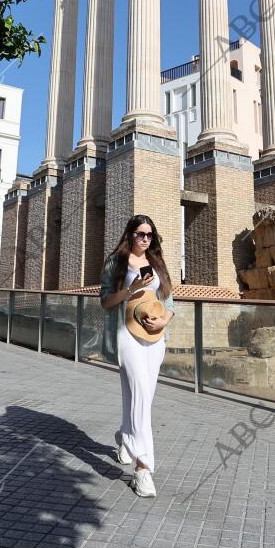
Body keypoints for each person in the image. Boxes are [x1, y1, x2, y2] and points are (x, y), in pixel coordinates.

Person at [99, 214, 176, 499]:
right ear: (130, 234)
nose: (145, 239)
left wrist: (164, 320)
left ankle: (126, 435)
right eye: (141, 234)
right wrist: (130, 291)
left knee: (141, 398)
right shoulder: (115, 262)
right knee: (141, 394)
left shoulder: (157, 262)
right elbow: (105, 301)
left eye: (150, 235)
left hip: (154, 338)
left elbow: (169, 301)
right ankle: (143, 469)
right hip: (125, 334)